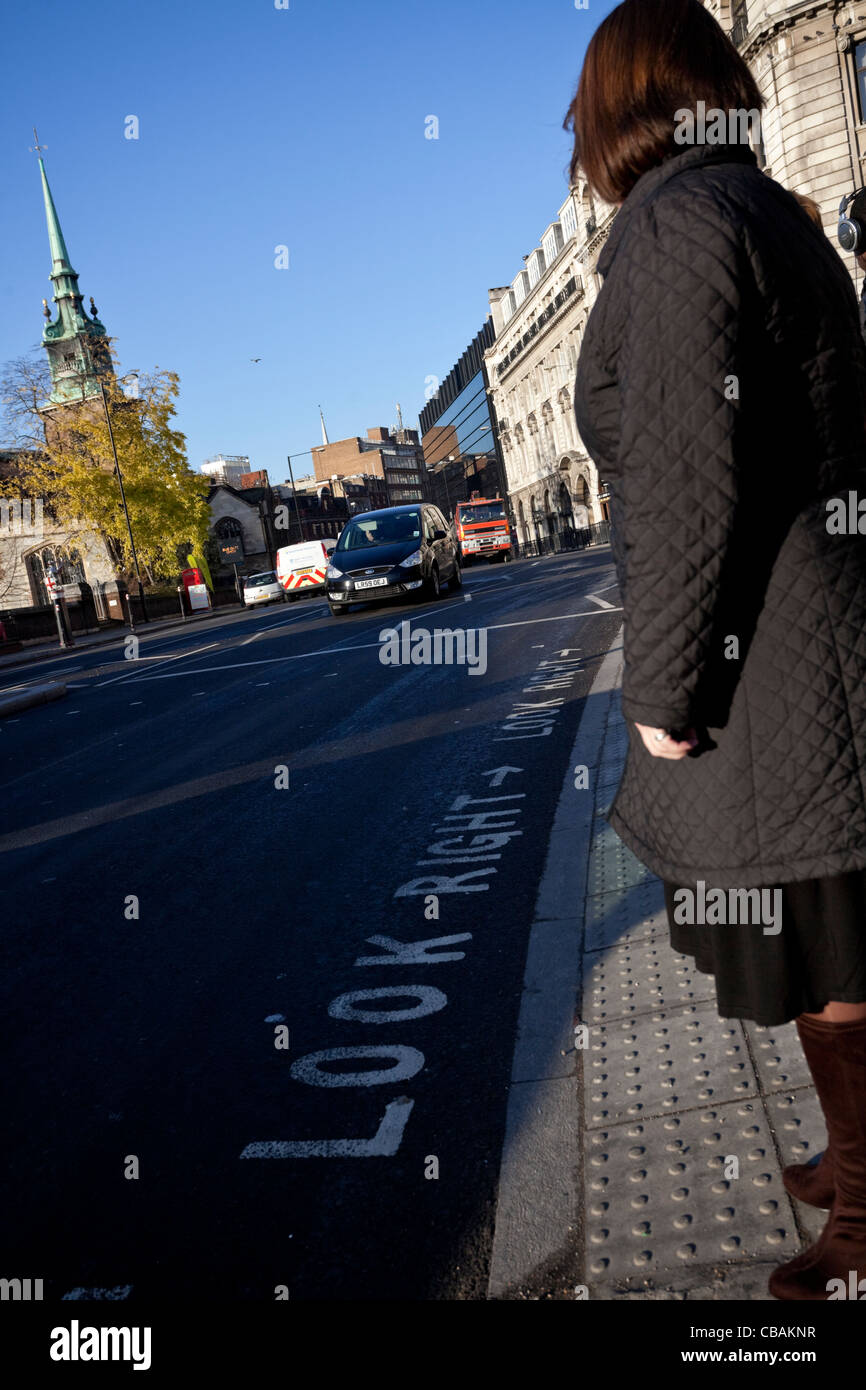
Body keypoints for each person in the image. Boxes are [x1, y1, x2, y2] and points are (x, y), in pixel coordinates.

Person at [569, 0, 866, 1301]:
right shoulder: (754, 207)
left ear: (614, 107)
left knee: (830, 952)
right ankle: (850, 1152)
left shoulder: (677, 223)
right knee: (824, 938)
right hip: (817, 625)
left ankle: (863, 1212)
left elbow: (691, 476)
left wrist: (664, 686)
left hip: (772, 659)